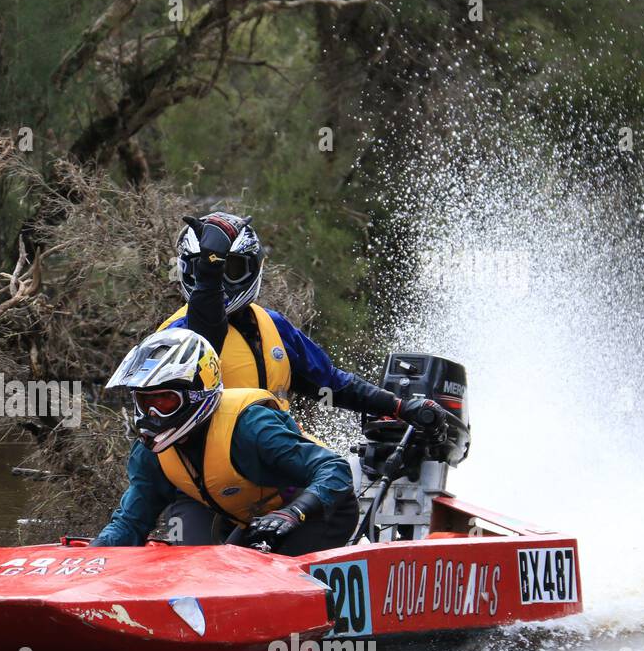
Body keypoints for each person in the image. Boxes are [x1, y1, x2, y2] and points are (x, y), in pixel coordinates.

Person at [158, 210, 445, 542]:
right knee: (195, 564)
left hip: (275, 470)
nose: (220, 281)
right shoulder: (177, 335)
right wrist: (210, 267)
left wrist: (399, 406)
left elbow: (333, 383)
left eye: (231, 269)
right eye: (209, 269)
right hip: (205, 482)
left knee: (333, 500)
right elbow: (206, 335)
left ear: (252, 269)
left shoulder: (274, 326)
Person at [91, 327, 358, 554]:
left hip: (319, 513)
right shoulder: (150, 453)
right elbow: (131, 523)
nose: (153, 414)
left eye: (164, 400)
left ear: (198, 394)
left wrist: (293, 513)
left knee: (247, 583)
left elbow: (336, 470)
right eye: (145, 402)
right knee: (206, 571)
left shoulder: (251, 425)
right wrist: (90, 559)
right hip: (258, 523)